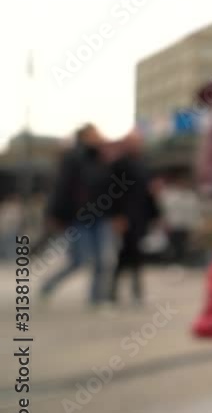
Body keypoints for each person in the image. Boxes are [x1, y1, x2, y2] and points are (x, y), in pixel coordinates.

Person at [39, 124, 115, 309]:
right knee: (79, 260)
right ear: (85, 137)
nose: (99, 136)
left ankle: (96, 299)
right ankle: (48, 286)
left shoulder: (101, 159)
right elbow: (62, 188)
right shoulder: (72, 158)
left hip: (100, 215)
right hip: (79, 216)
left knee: (102, 260)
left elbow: (110, 188)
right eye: (94, 134)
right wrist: (55, 214)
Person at [107, 131, 160, 308]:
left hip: (141, 215)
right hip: (126, 216)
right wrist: (117, 216)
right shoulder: (119, 165)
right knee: (125, 254)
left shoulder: (144, 163)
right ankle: (115, 292)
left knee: (135, 254)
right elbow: (112, 193)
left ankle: (133, 291)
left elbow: (149, 193)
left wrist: (156, 215)